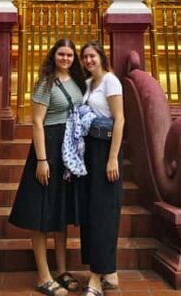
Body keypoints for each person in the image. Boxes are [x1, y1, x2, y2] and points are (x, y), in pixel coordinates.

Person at [9, 39, 86, 296]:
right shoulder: (45, 83)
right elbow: (37, 123)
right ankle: (44, 275)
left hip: (69, 151)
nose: (65, 58)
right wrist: (42, 160)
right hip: (49, 149)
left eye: (69, 55)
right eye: (61, 54)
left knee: (60, 212)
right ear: (54, 56)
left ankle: (62, 270)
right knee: (42, 212)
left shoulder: (77, 82)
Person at [79, 41, 124, 296]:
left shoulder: (111, 81)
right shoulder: (87, 84)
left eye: (92, 56)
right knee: (92, 211)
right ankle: (110, 271)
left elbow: (120, 119)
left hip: (106, 149)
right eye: (85, 57)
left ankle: (96, 279)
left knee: (104, 212)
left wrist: (113, 157)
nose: (88, 61)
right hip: (89, 151)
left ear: (101, 57)